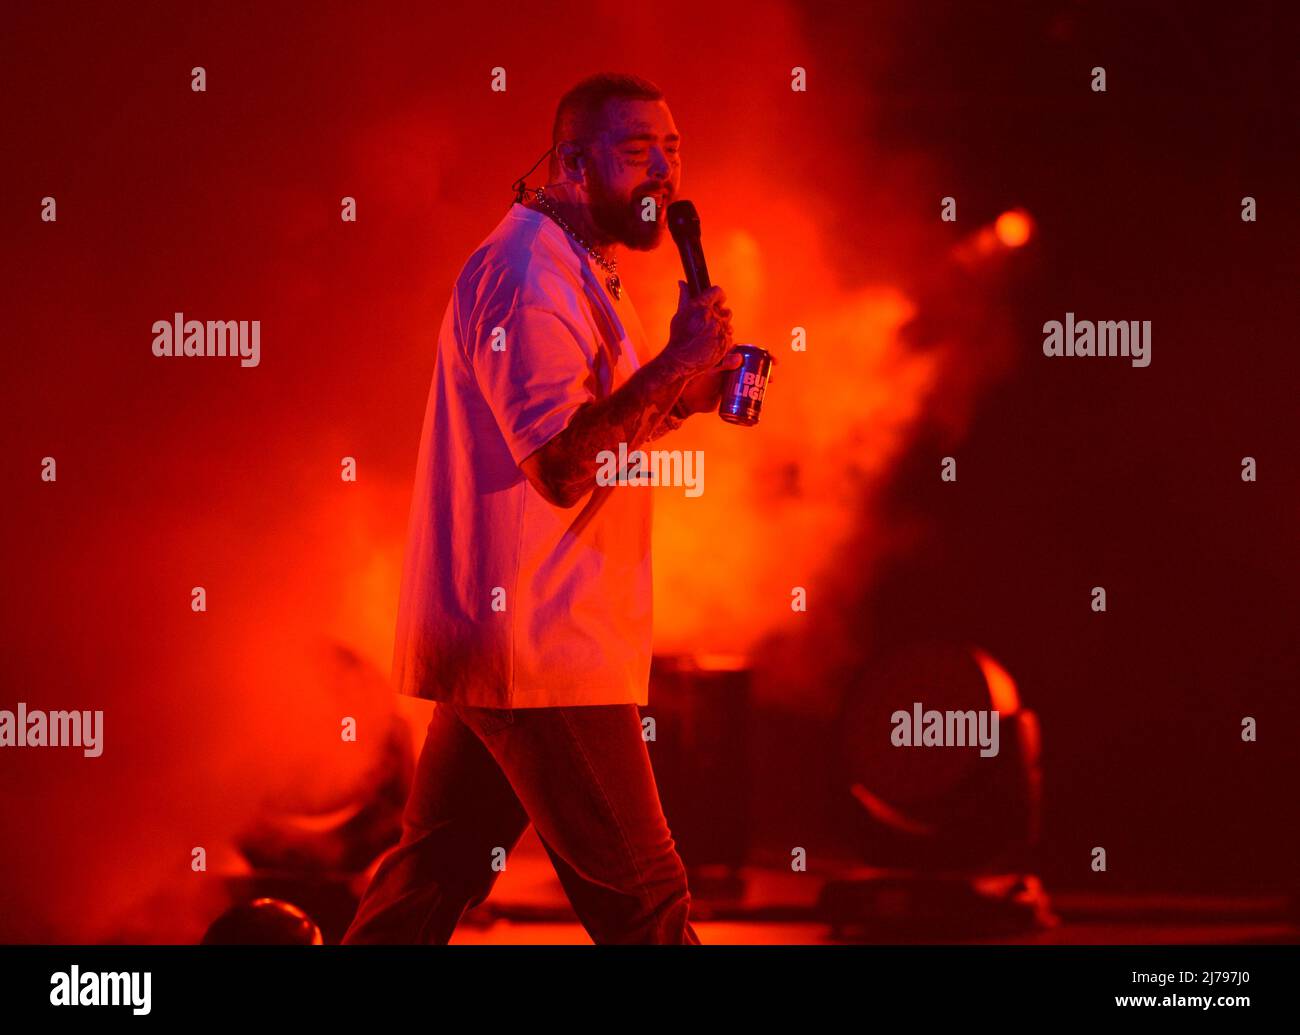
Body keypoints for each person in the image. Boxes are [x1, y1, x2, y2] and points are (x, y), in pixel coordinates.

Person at [341, 72, 736, 945]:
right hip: (544, 645)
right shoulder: (526, 277)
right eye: (637, 153)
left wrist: (689, 390)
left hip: (518, 643)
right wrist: (672, 366)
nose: (662, 176)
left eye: (672, 151)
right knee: (648, 902)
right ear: (569, 162)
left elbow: (596, 431)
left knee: (430, 878)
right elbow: (559, 464)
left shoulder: (578, 266)